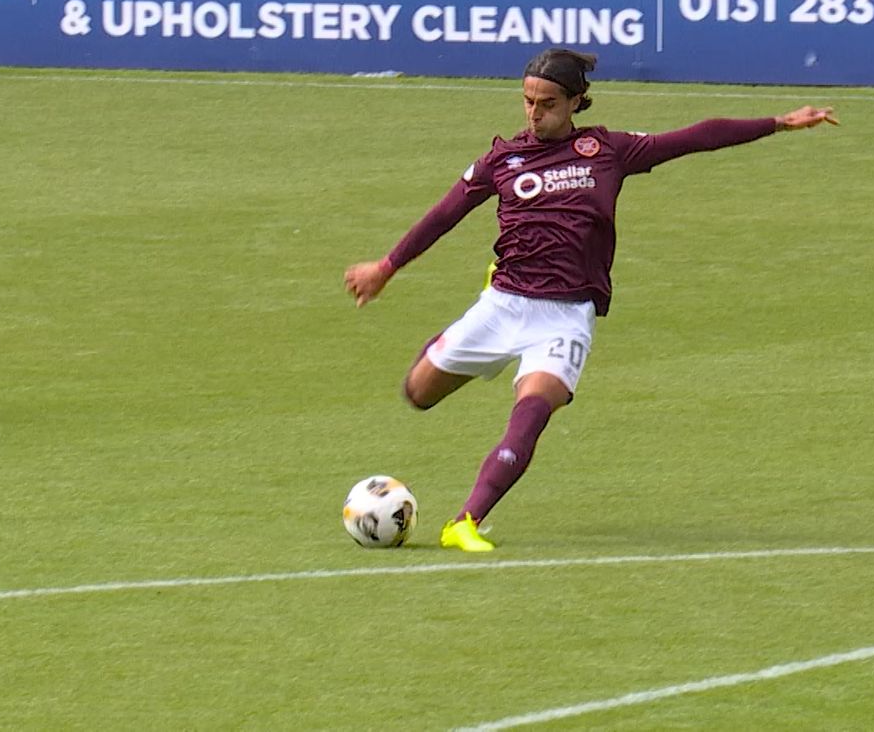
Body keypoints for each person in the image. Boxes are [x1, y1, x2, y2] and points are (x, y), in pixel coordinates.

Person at [343, 49, 838, 552]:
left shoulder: (607, 152)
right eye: (528, 101)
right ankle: (462, 350)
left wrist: (779, 122)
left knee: (533, 409)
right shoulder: (502, 160)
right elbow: (443, 214)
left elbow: (696, 137)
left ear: (576, 101)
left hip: (564, 318)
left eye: (548, 103)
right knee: (418, 392)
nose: (535, 113)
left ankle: (464, 521)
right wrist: (385, 268)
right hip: (502, 305)